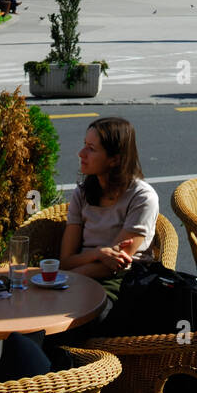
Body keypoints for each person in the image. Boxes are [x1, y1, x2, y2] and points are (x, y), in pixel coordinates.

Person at [60, 119, 159, 291]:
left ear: (114, 160)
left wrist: (68, 281)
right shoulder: (82, 194)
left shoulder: (142, 197)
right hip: (80, 276)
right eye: (84, 145)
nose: (81, 153)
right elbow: (65, 261)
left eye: (91, 149)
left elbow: (114, 264)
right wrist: (97, 253)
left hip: (123, 280)